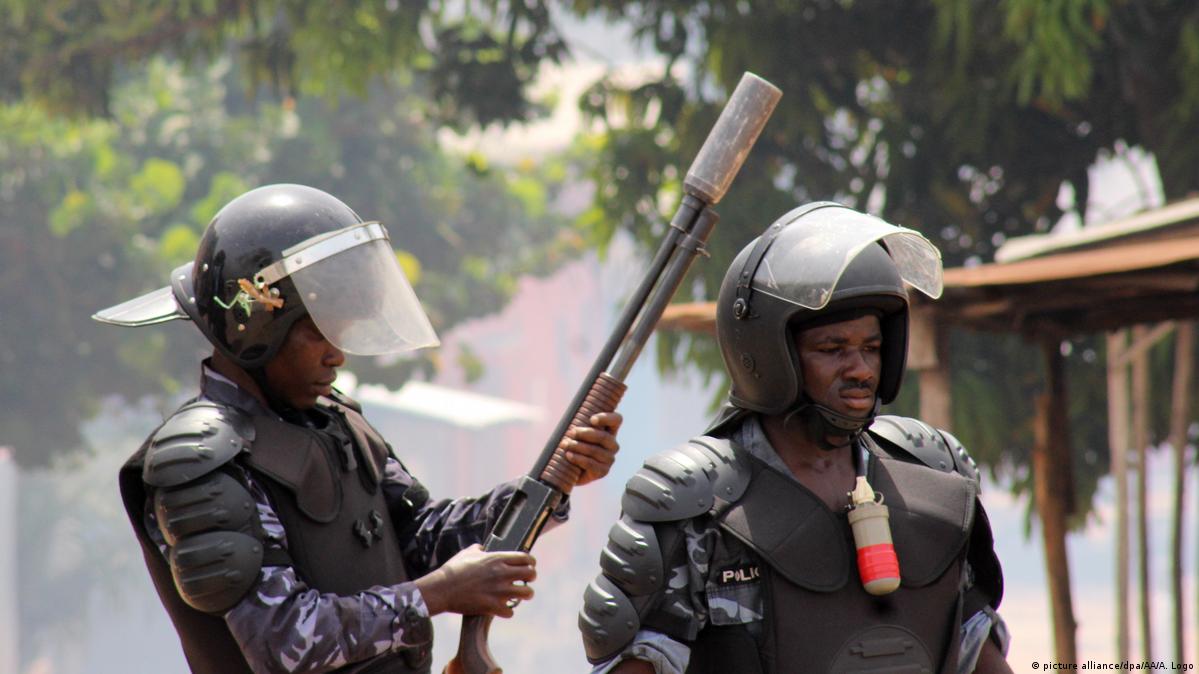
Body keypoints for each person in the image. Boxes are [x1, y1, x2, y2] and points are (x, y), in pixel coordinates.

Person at [96, 184, 622, 674]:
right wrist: (436, 595)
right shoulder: (199, 462)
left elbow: (416, 538)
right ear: (256, 328)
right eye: (316, 332)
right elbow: (284, 640)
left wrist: (552, 483)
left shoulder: (334, 420)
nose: (338, 354)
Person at [578, 202, 1011, 674]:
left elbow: (978, 653)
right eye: (833, 350)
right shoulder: (698, 507)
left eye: (871, 348)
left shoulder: (933, 477)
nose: (861, 370)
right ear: (768, 355)